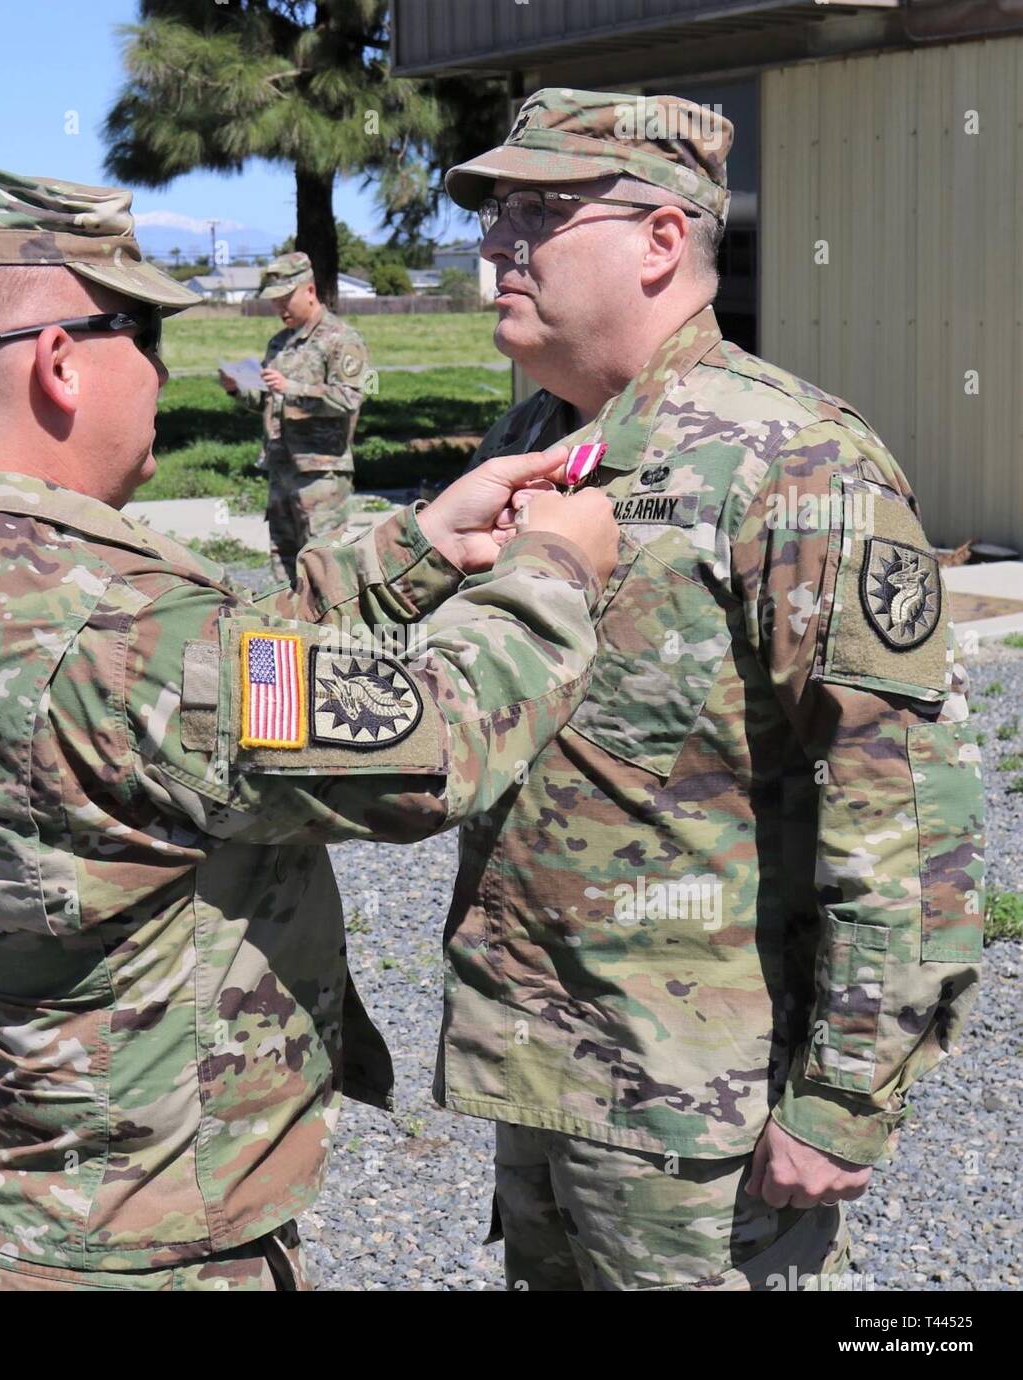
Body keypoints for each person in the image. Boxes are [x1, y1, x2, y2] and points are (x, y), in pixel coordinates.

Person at [0, 153, 619, 1291]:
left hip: (4, 1207)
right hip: (137, 1251)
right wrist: (554, 567)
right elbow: (437, 740)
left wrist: (412, 551)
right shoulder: (118, 640)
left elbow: (220, 676)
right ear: (61, 363)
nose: (161, 375)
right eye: (144, 337)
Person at [432, 89, 986, 1291]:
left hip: (702, 1108)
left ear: (663, 239)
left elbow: (900, 810)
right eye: (494, 209)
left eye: (539, 210)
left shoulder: (793, 463)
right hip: (544, 1060)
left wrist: (844, 1092)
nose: (494, 241)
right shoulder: (535, 440)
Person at [218, 252, 369, 583]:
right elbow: (269, 401)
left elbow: (350, 397)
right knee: (282, 557)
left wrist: (292, 386)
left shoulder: (341, 339)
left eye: (286, 298)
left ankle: (332, 633)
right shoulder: (280, 343)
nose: (279, 308)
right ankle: (291, 629)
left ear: (310, 291)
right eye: (274, 301)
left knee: (326, 564)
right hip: (281, 465)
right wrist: (237, 388)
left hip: (321, 473)